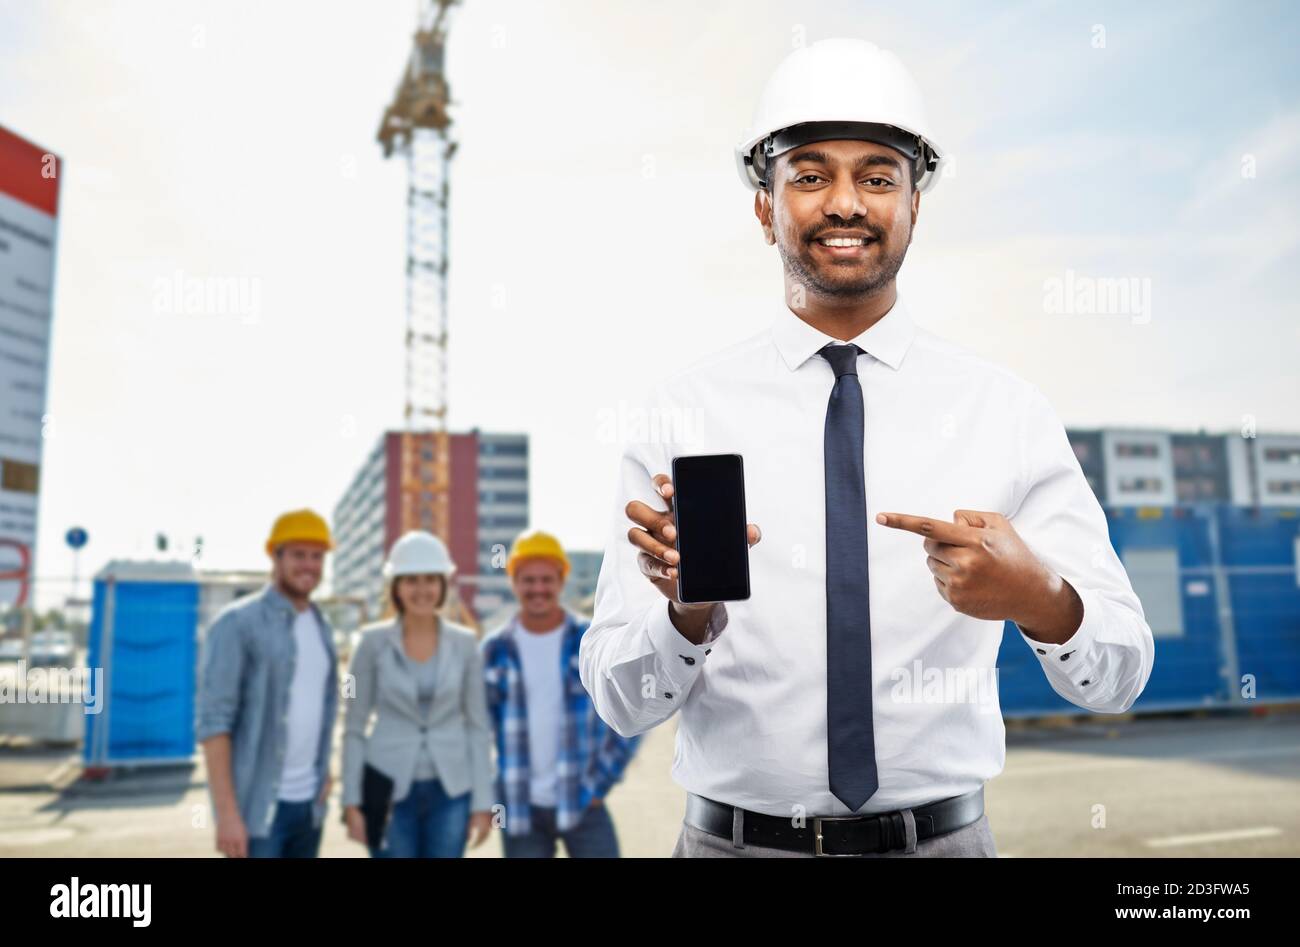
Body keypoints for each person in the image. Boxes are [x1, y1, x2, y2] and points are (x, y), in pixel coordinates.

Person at [579, 38, 1156, 858]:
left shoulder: (1005, 410)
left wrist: (1038, 596)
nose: (844, 202)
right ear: (763, 205)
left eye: (878, 177)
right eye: (810, 175)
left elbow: (1121, 673)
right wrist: (686, 611)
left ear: (915, 204)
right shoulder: (682, 414)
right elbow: (618, 697)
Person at [481, 530, 641, 857]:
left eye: (546, 579)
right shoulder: (495, 650)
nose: (538, 588)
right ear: (514, 582)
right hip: (519, 806)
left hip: (584, 801)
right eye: (528, 580)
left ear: (561, 581)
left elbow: (632, 708)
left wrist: (601, 781)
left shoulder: (590, 642)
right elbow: (474, 729)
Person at [341, 530, 494, 858]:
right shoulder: (370, 644)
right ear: (396, 586)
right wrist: (351, 800)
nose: (422, 589)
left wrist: (483, 802)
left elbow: (478, 727)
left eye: (430, 579)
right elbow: (353, 728)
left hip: (451, 791)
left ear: (443, 585)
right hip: (384, 788)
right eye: (411, 580)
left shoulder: (466, 645)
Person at [197, 509, 338, 858]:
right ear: (275, 557)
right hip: (258, 812)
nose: (308, 565)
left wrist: (325, 768)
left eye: (317, 556)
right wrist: (227, 814)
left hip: (309, 807)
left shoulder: (322, 627)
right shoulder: (237, 624)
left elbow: (318, 707)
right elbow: (215, 724)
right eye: (298, 555)